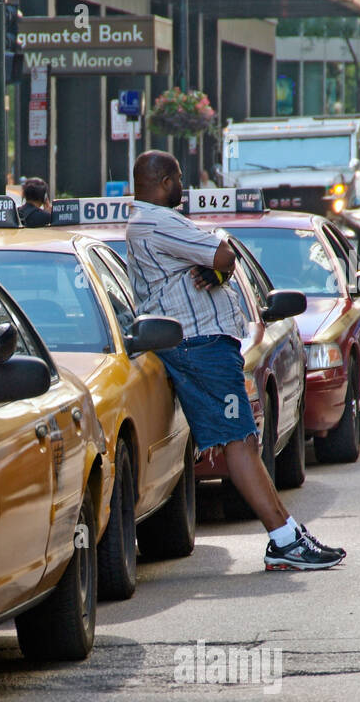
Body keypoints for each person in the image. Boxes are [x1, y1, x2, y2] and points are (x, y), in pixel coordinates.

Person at [124, 149, 345, 571]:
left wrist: (218, 267)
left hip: (202, 345)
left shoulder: (153, 222)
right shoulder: (157, 220)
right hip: (200, 346)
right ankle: (283, 540)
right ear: (166, 182)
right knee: (241, 443)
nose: (184, 188)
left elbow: (221, 262)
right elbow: (225, 252)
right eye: (180, 180)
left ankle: (288, 532)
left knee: (244, 441)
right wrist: (218, 262)